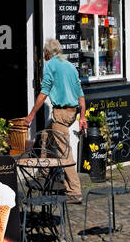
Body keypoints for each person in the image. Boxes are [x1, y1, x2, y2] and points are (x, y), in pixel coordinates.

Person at [26, 38, 86, 203]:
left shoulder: (50, 65)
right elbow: (81, 94)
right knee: (46, 133)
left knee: (64, 152)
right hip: (72, 112)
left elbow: (44, 92)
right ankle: (44, 172)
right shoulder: (70, 66)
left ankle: (74, 192)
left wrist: (31, 115)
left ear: (47, 53)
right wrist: (82, 117)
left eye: (44, 53)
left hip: (61, 113)